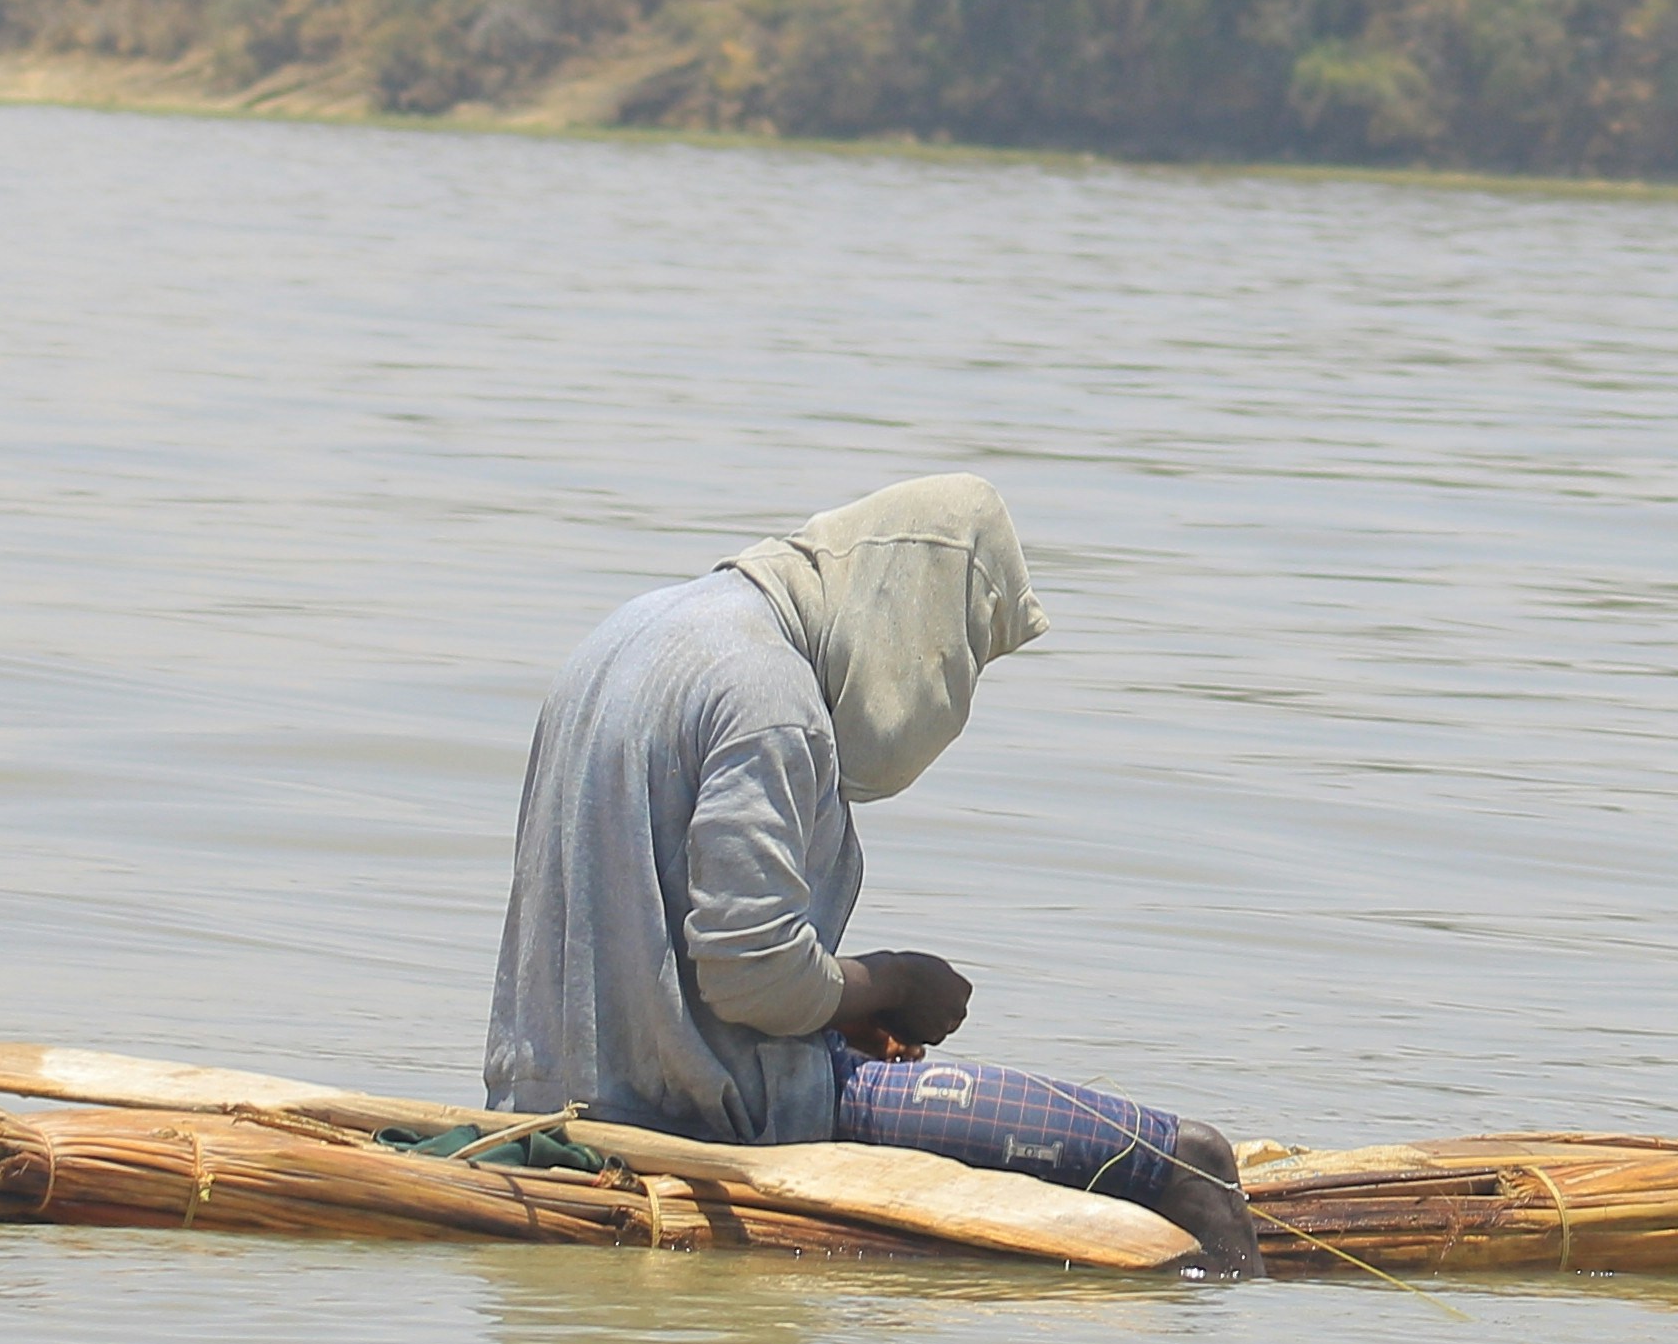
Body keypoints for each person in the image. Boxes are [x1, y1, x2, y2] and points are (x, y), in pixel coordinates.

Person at [486, 473, 1264, 1278]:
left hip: (545, 1101)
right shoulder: (767, 692)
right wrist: (892, 983)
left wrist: (835, 1007)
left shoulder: (637, 629)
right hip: (700, 1116)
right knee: (1192, 1163)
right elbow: (751, 979)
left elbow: (654, 933)